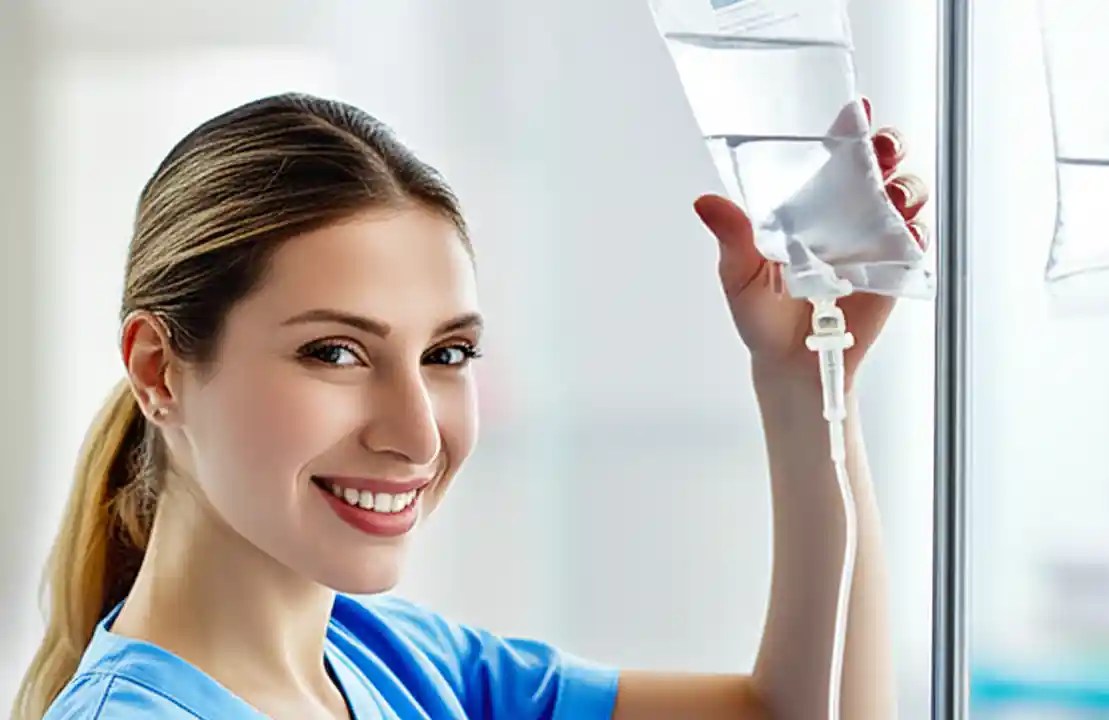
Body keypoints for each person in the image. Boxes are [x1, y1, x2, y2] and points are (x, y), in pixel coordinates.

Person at [13, 92, 929, 719]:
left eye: (446, 355)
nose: (418, 435)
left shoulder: (394, 661)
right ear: (159, 370)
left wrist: (807, 380)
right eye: (335, 353)